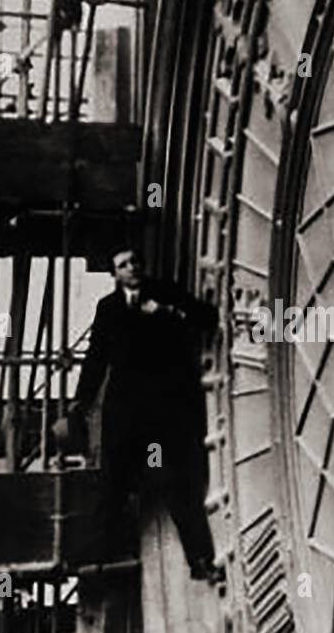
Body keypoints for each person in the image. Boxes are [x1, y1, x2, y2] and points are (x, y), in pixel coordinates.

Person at [69, 248, 222, 582]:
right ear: (115, 273)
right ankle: (94, 558)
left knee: (172, 482)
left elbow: (206, 317)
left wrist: (165, 313)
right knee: (112, 486)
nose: (132, 268)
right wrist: (80, 401)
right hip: (125, 417)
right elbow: (97, 358)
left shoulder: (164, 293)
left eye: (136, 261)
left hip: (159, 417)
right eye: (123, 264)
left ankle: (199, 561)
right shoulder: (108, 309)